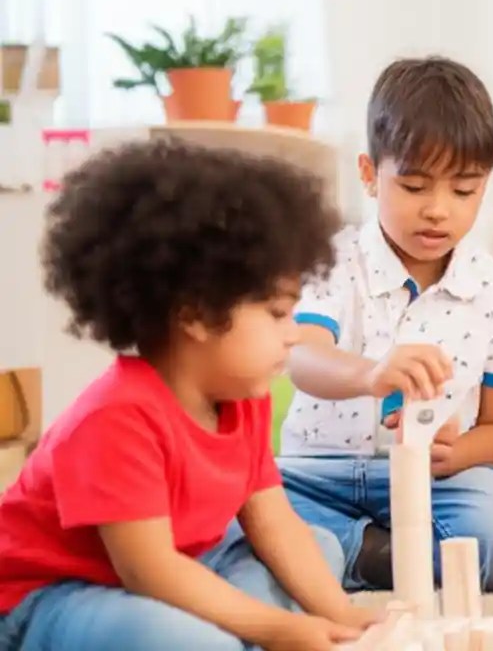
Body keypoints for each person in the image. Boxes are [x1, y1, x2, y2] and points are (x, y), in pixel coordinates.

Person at [0, 141, 377, 650]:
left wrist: (343, 616)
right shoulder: (115, 418)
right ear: (196, 314)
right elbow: (148, 570)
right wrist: (278, 628)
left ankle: (222, 627)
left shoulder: (244, 393)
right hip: (56, 593)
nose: (293, 333)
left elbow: (275, 522)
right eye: (276, 313)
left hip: (186, 562)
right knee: (182, 639)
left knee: (318, 548)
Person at [276, 56, 493, 594]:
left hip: (433, 481)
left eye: (463, 190)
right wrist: (370, 374)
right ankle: (374, 553)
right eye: (414, 186)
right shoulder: (333, 260)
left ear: (486, 185)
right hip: (315, 474)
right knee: (238, 510)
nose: (437, 210)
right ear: (369, 174)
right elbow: (301, 358)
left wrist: (460, 453)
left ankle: (351, 556)